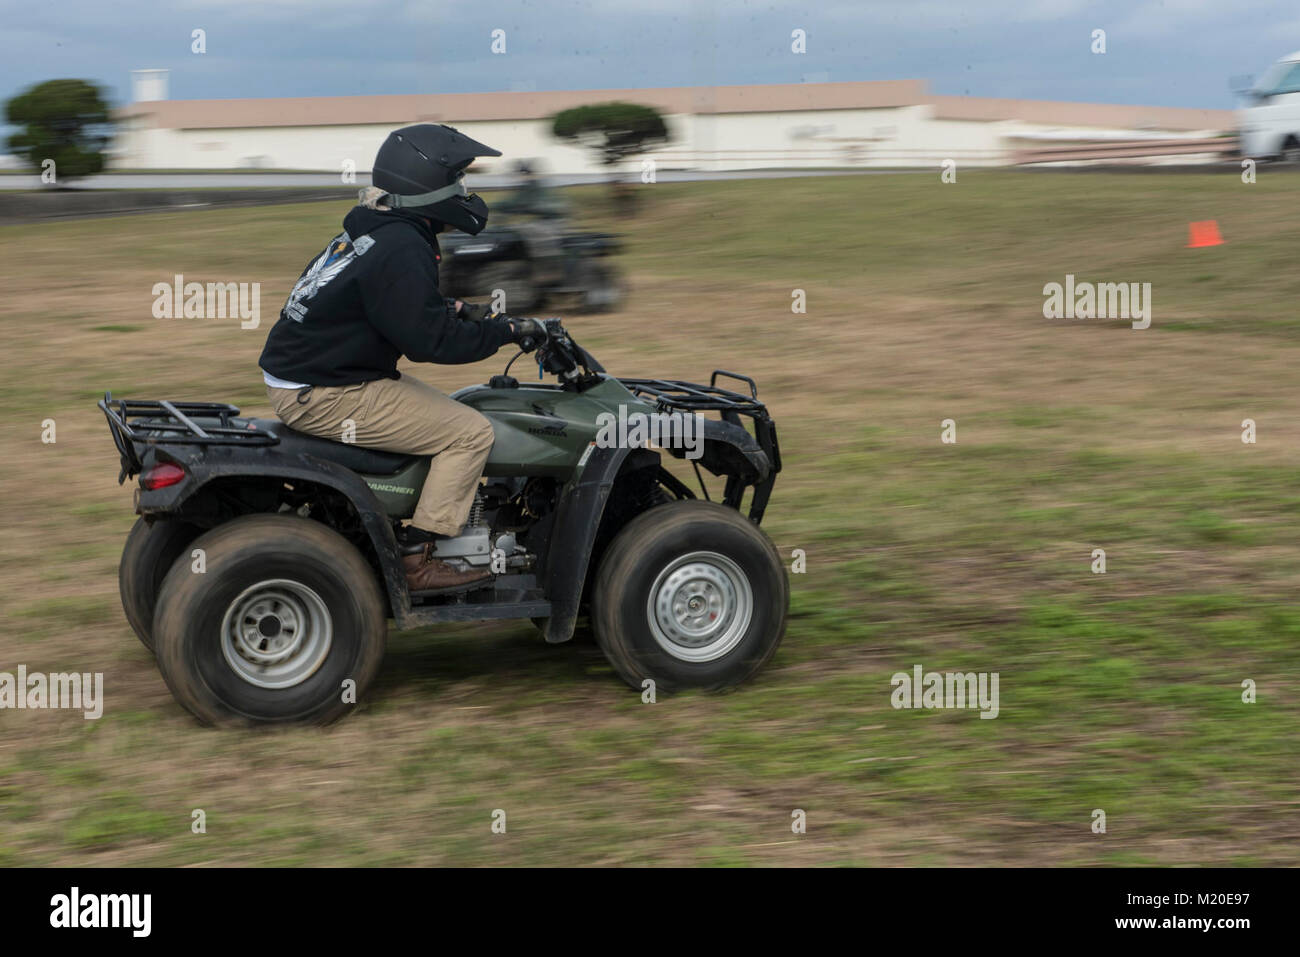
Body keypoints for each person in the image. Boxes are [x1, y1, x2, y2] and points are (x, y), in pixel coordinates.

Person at [257, 123, 545, 594]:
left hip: (310, 378)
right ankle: (417, 559)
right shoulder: (403, 245)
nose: (465, 193)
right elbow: (433, 344)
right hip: (329, 392)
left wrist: (461, 311)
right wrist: (503, 331)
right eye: (459, 182)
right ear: (428, 185)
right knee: (470, 432)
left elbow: (393, 308)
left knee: (451, 411)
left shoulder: (376, 229)